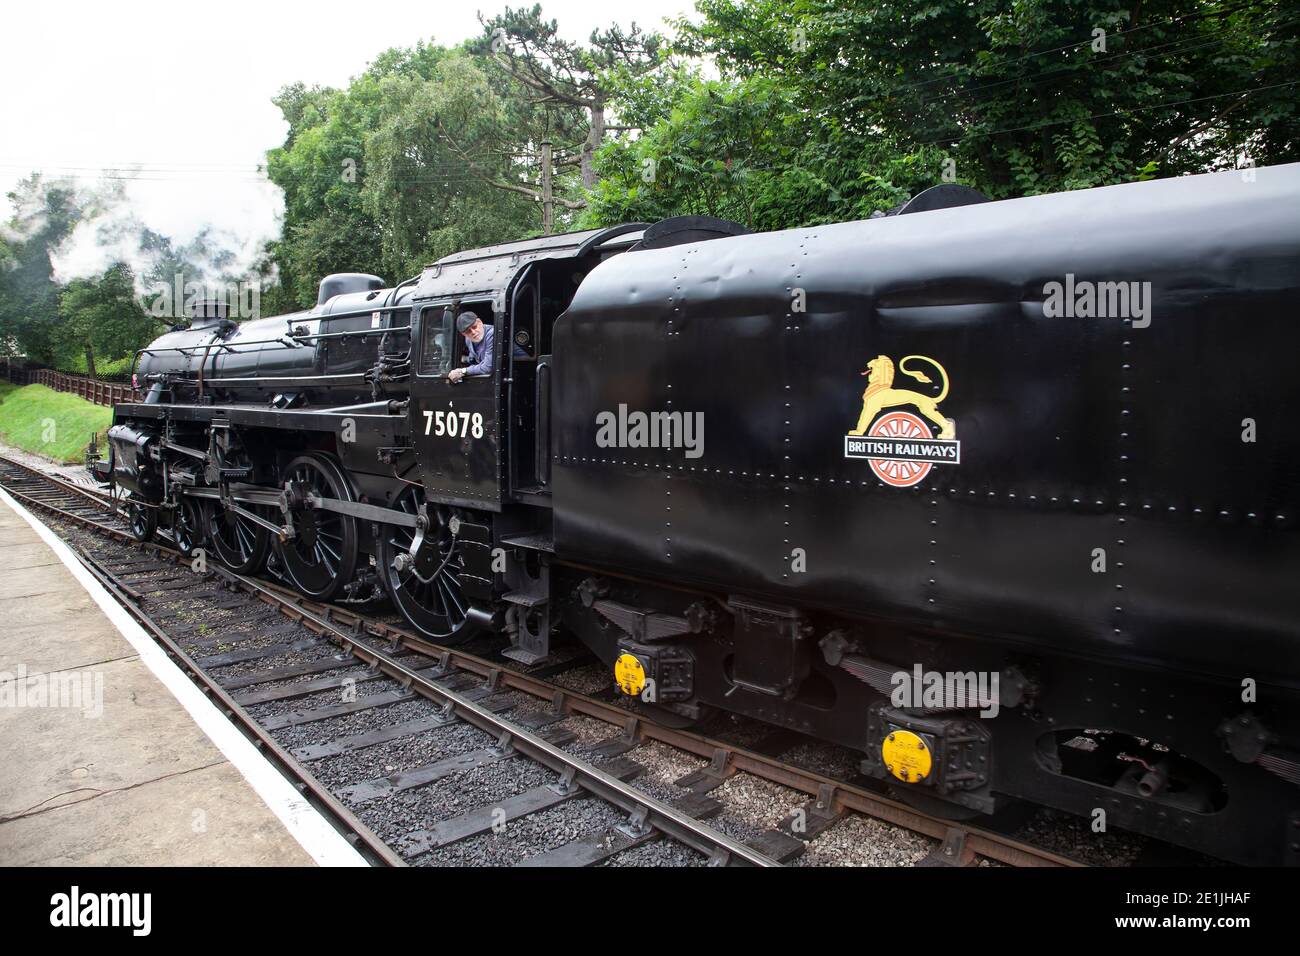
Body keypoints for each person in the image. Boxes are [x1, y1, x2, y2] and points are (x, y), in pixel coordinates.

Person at [448, 312, 492, 383]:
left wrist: (463, 371)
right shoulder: (468, 339)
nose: (473, 332)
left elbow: (487, 367)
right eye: (468, 331)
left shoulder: (492, 334)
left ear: (479, 322)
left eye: (474, 327)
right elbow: (474, 361)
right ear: (463, 334)